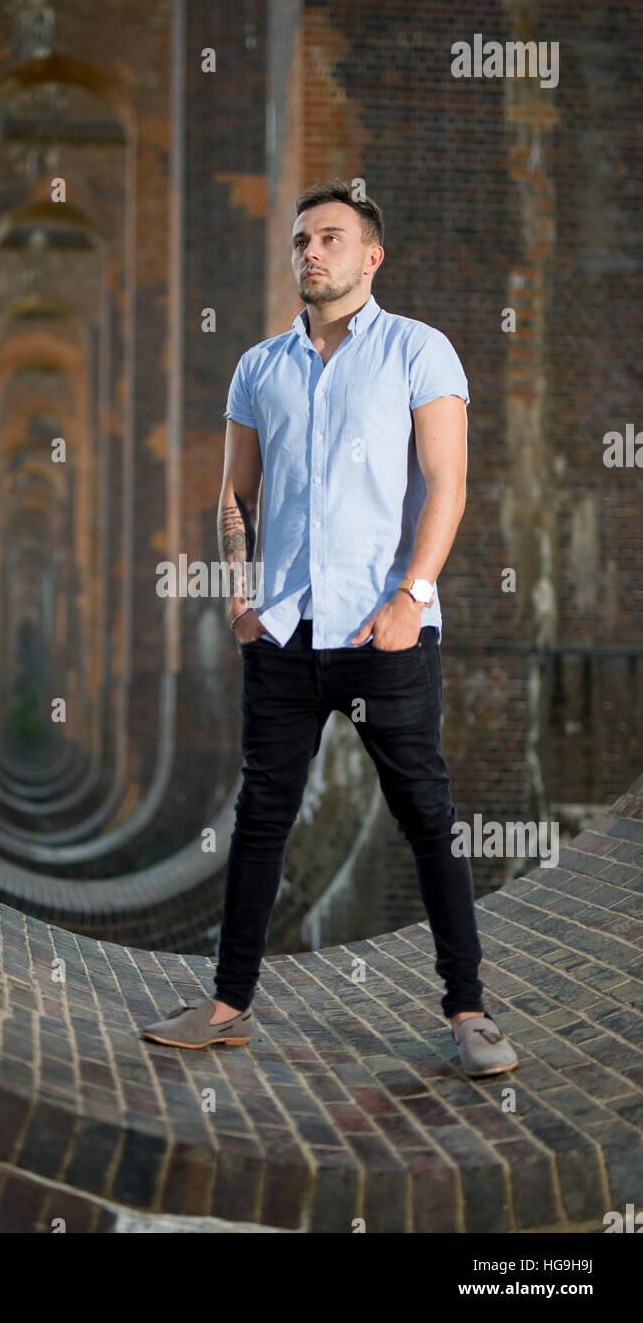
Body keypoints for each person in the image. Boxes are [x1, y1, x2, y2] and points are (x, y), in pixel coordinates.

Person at [142, 179, 517, 1077]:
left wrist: (411, 594)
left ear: (370, 256)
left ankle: (467, 1010)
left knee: (426, 817)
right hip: (281, 636)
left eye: (331, 239)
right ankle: (227, 1006)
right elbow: (236, 493)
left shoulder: (417, 353)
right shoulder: (258, 366)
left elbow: (446, 483)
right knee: (261, 819)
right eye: (302, 240)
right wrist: (238, 596)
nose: (311, 252)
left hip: (384, 632)